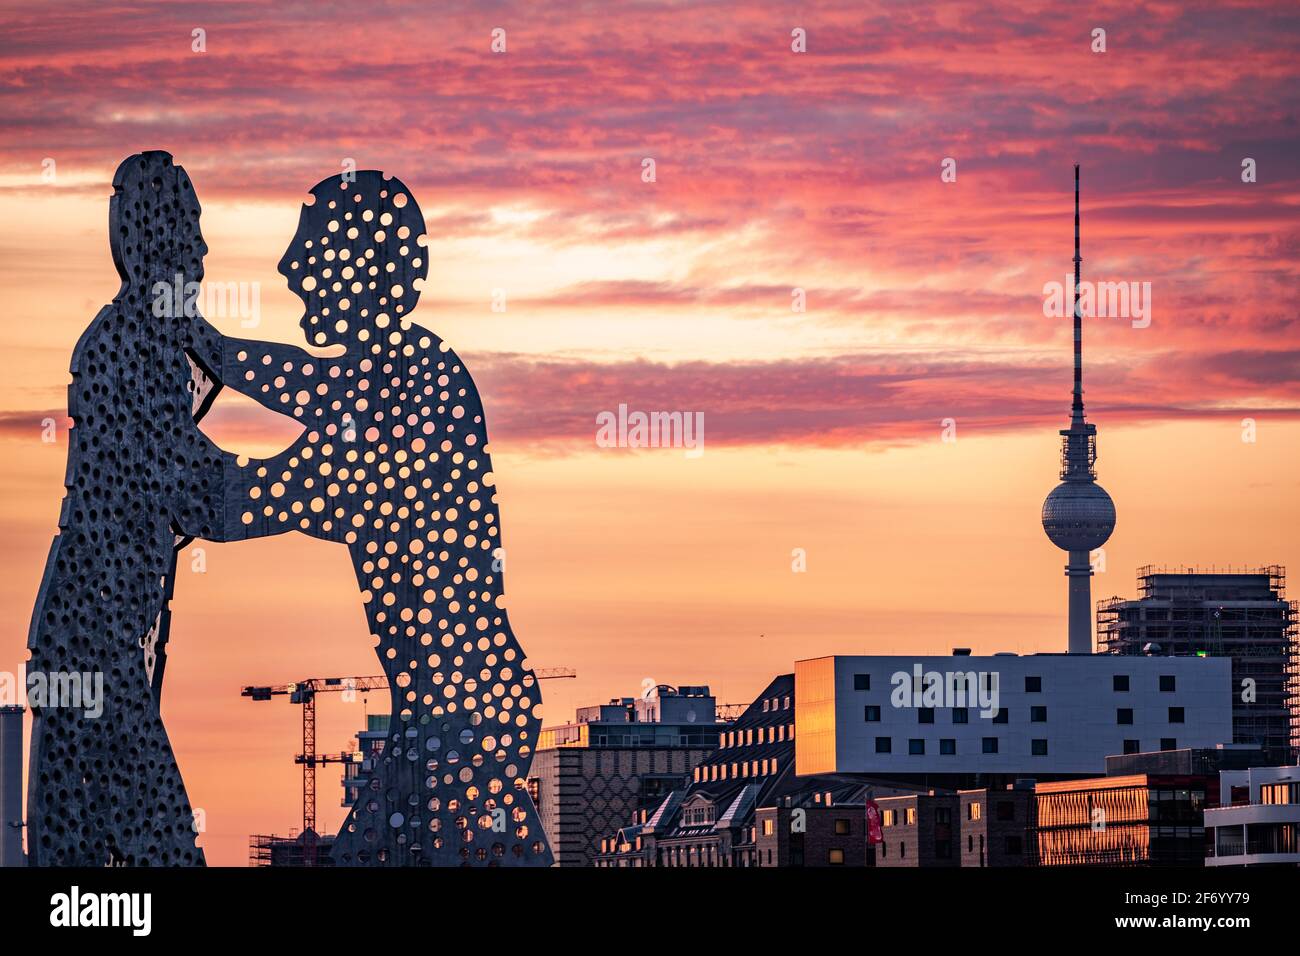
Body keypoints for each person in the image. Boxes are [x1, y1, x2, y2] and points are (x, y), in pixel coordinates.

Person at [197, 171, 551, 866]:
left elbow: (255, 497)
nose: (289, 267)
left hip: (461, 713)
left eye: (309, 251)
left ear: (363, 268)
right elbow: (297, 381)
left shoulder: (415, 385)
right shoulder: (406, 372)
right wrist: (204, 346)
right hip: (453, 709)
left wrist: (163, 452)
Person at [26, 151, 228, 866]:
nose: (203, 249)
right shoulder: (128, 346)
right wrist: (316, 489)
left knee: (96, 846)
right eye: (189, 230)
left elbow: (229, 357)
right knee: (156, 840)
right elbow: (195, 483)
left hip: (105, 637)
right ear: (151, 241)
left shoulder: (160, 338)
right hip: (94, 641)